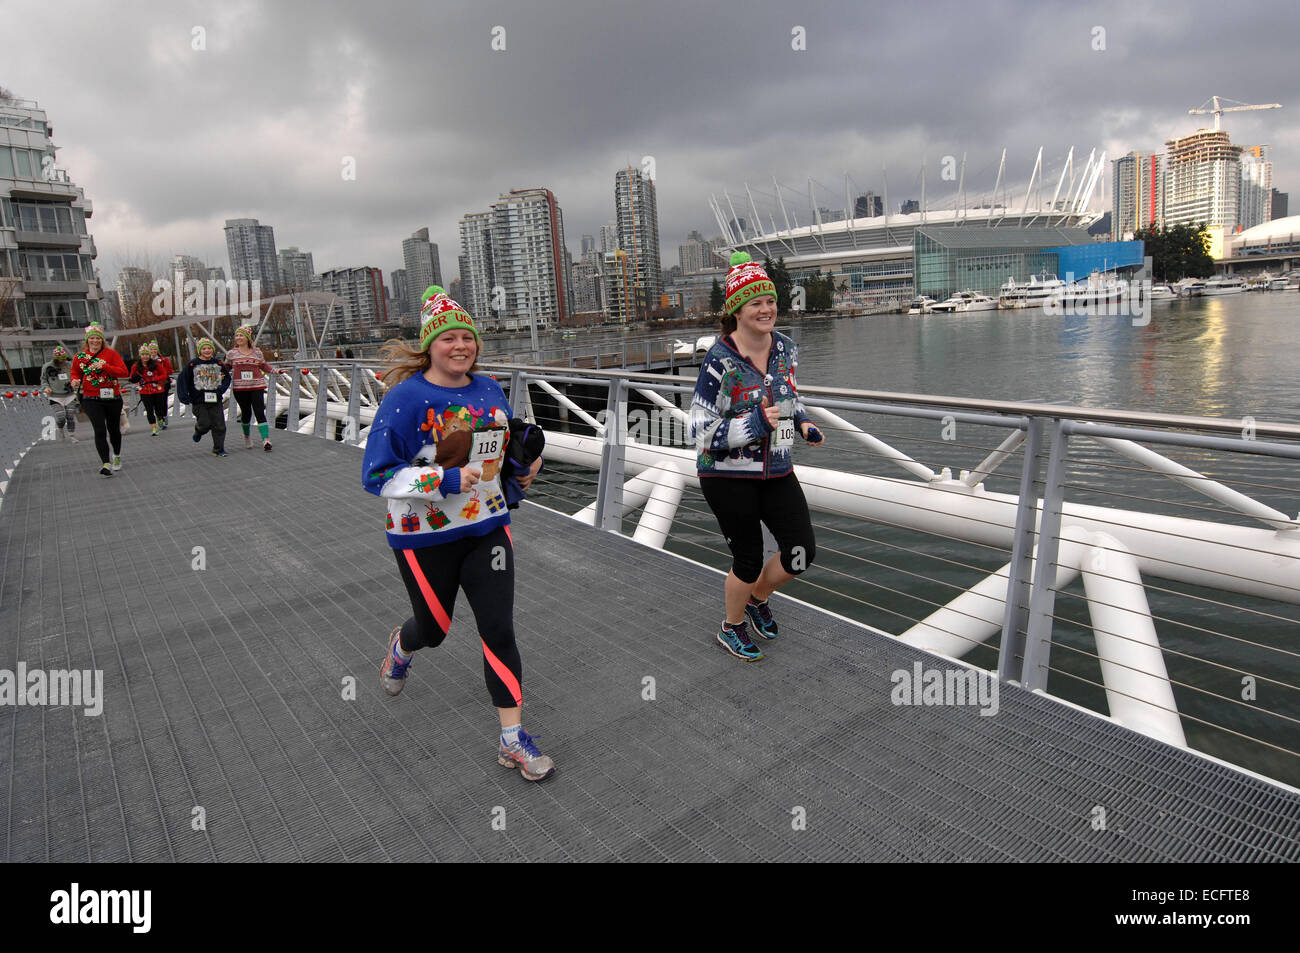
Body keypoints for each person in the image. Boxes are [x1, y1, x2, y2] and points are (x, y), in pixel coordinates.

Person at [361, 285, 551, 782]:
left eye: (468, 337)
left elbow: (496, 451)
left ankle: (513, 738)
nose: (461, 346)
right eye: (449, 339)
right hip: (423, 536)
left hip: (487, 526)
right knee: (435, 630)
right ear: (430, 346)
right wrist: (441, 479)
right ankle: (403, 645)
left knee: (499, 629)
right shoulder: (405, 399)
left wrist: (519, 474)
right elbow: (376, 475)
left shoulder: (488, 389)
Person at [690, 252, 824, 661]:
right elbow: (699, 430)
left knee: (800, 551)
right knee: (747, 559)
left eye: (769, 301)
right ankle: (730, 628)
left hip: (778, 468)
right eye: (755, 303)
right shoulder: (720, 361)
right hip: (727, 477)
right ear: (737, 310)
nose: (766, 310)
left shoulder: (785, 348)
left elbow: (788, 397)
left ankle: (757, 599)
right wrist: (755, 425)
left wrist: (801, 422)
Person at [70, 323, 129, 476]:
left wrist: (105, 366)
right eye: (92, 339)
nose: (95, 341)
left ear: (102, 341)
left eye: (98, 338)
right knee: (99, 429)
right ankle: (105, 463)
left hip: (112, 397)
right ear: (87, 340)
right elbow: (75, 373)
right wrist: (75, 380)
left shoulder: (111, 354)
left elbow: (123, 372)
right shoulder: (80, 357)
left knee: (113, 429)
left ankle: (116, 455)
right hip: (90, 398)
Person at [225, 325, 283, 450]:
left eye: (241, 335)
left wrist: (276, 371)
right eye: (237, 335)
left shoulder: (257, 352)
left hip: (257, 386)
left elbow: (263, 365)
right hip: (240, 388)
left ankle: (266, 440)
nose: (238, 338)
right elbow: (226, 368)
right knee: (246, 413)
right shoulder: (231, 353)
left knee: (259, 411)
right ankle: (247, 438)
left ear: (247, 338)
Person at [181, 338, 231, 457]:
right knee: (205, 423)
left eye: (209, 348)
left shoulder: (218, 364)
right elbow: (183, 380)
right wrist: (184, 396)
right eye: (204, 348)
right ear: (199, 350)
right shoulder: (192, 364)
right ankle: (199, 431)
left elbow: (227, 378)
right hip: (199, 401)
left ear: (212, 350)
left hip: (215, 399)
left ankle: (218, 449)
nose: (207, 350)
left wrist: (221, 389)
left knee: (219, 424)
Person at [40, 345, 79, 442]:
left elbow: (75, 375)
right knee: (61, 417)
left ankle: (72, 436)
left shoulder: (69, 365)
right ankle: (60, 428)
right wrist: (46, 387)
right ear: (55, 359)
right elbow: (43, 379)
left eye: (64, 359)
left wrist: (76, 382)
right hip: (55, 396)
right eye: (60, 359)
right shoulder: (47, 367)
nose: (62, 361)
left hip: (69, 394)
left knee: (70, 415)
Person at [128, 347, 170, 436]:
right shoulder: (136, 366)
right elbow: (131, 377)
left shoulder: (156, 364)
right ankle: (154, 428)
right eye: (143, 354)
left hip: (157, 390)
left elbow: (164, 375)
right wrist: (135, 379)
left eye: (147, 354)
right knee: (149, 410)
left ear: (149, 355)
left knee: (159, 408)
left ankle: (160, 418)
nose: (145, 356)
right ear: (140, 355)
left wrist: (155, 378)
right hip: (144, 391)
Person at [150, 341, 173, 429]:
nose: (153, 351)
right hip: (152, 385)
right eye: (151, 349)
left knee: (163, 401)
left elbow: (170, 370)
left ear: (157, 350)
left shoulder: (163, 360)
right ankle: (159, 418)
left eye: (154, 349)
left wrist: (162, 374)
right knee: (155, 403)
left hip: (163, 383)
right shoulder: (147, 361)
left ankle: (164, 416)